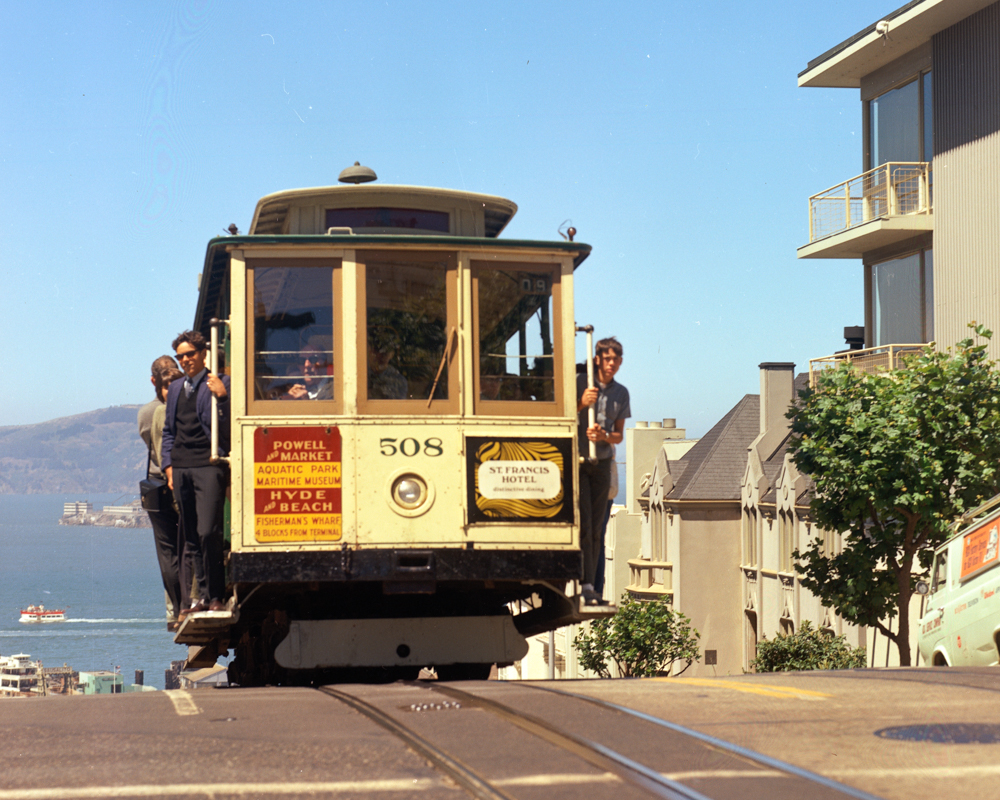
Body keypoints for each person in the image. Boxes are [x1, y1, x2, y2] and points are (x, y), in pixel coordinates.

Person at [161, 330, 231, 616]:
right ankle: (202, 598)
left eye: (190, 354)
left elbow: (228, 427)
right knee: (191, 536)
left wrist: (223, 397)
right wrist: (168, 467)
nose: (186, 360)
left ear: (204, 354)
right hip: (181, 468)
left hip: (208, 466)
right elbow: (168, 432)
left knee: (208, 532)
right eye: (181, 356)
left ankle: (216, 596)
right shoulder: (177, 389)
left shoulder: (220, 383)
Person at [577, 337, 630, 605]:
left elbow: (619, 435)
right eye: (607, 359)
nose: (611, 365)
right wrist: (581, 404)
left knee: (597, 527)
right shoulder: (581, 383)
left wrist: (603, 436)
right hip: (578, 462)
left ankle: (592, 589)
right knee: (584, 524)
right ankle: (584, 583)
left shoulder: (621, 393)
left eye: (616, 360)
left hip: (602, 464)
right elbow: (561, 415)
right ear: (598, 359)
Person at [138, 355, 183, 630]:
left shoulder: (146, 413)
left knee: (167, 552)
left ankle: (174, 611)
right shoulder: (171, 410)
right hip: (178, 482)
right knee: (184, 546)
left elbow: (153, 447)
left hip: (158, 483)